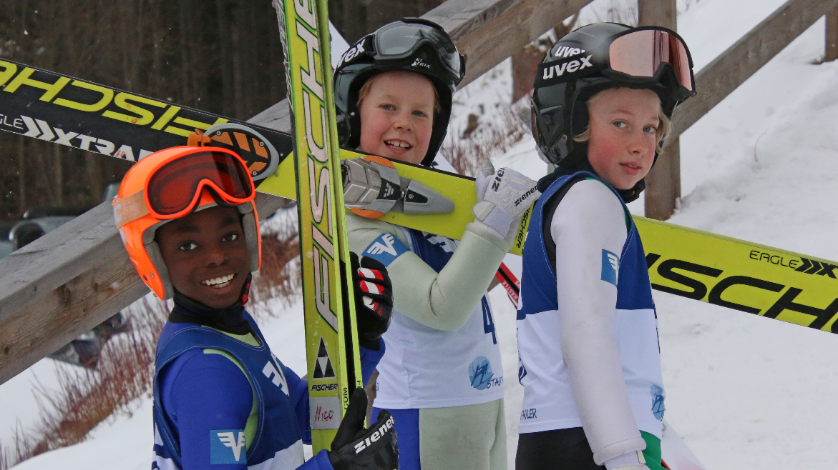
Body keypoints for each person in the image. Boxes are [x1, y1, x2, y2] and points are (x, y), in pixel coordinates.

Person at [111, 145, 399, 470]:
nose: (216, 256)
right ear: (155, 259)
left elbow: (301, 415)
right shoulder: (207, 374)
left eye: (230, 236)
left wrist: (359, 340)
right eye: (188, 245)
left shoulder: (228, 333)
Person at [334, 18, 540, 470]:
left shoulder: (428, 206)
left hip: (480, 401)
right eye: (388, 107)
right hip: (426, 412)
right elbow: (441, 307)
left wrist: (489, 223)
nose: (404, 124)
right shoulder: (357, 226)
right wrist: (490, 224)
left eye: (420, 113)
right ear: (353, 113)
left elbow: (471, 280)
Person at [515, 23, 697, 470]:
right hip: (593, 443)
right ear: (569, 124)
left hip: (573, 437)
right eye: (620, 123)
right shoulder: (590, 201)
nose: (641, 143)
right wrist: (621, 455)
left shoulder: (564, 198)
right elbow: (587, 337)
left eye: (652, 127)